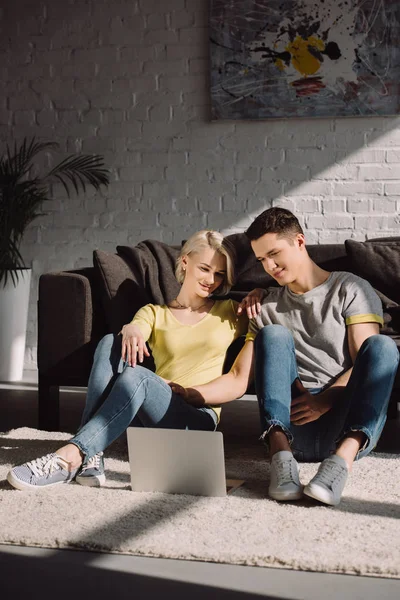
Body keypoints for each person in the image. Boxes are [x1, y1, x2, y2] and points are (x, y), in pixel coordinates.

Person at [170, 207, 399, 507]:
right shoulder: (265, 306)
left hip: (345, 423)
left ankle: (339, 466)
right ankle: (280, 462)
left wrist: (325, 400)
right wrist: (186, 393)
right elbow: (239, 379)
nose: (270, 266)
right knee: (273, 334)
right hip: (290, 427)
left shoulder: (350, 288)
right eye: (262, 260)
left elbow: (366, 363)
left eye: (275, 253)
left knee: (384, 347)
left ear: (300, 242)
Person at [8, 230, 252, 491]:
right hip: (156, 410)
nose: (211, 280)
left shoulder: (232, 312)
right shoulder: (155, 313)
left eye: (218, 274)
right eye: (205, 269)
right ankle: (91, 454)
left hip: (196, 417)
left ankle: (70, 456)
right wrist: (132, 328)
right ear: (185, 262)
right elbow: (135, 331)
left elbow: (276, 302)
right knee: (110, 342)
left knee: (137, 378)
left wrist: (259, 293)